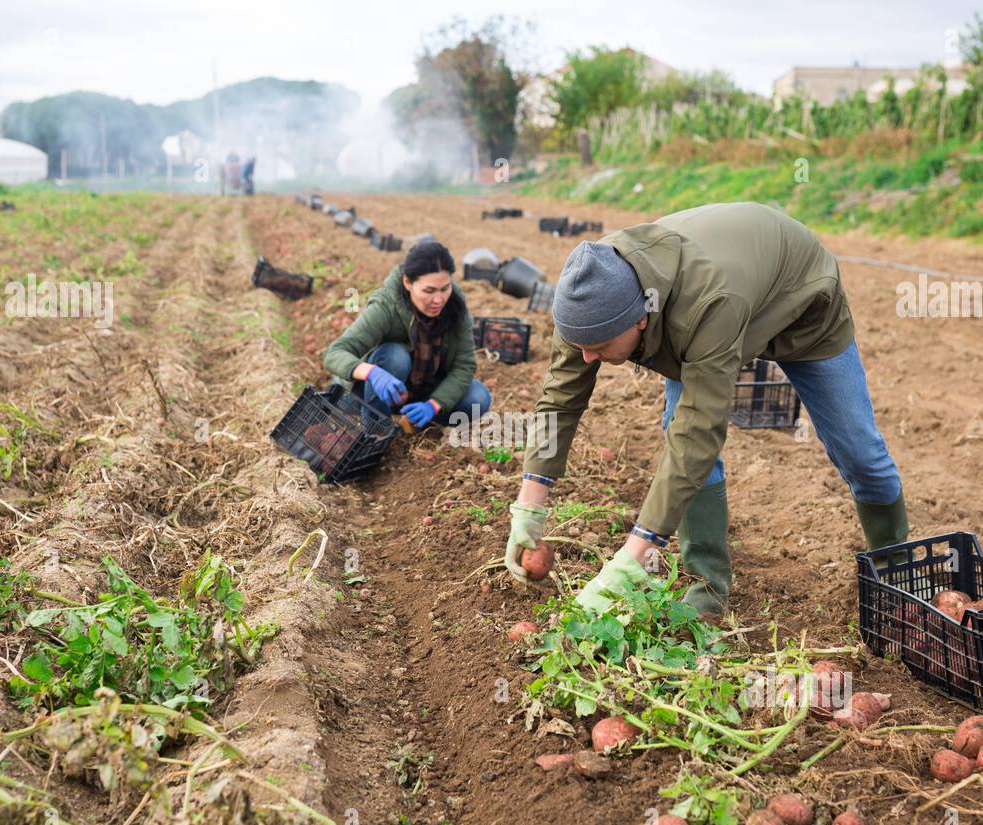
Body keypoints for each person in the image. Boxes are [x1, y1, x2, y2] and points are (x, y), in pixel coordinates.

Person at [504, 202, 908, 615]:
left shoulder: (705, 304)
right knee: (675, 426)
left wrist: (633, 556)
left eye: (601, 348)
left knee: (861, 452)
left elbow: (699, 431)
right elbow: (560, 397)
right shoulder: (590, 293)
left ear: (640, 320)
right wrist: (529, 505)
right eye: (580, 346)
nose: (587, 357)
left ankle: (896, 572)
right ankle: (707, 587)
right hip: (714, 299)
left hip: (800, 299)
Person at [323, 241, 492, 429]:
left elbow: (465, 365)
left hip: (422, 391)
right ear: (407, 283)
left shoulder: (455, 307)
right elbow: (335, 353)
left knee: (478, 397)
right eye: (428, 291)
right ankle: (375, 429)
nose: (438, 299)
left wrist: (434, 404)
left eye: (445, 289)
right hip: (375, 393)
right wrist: (372, 372)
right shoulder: (386, 305)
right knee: (394, 356)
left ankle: (417, 424)